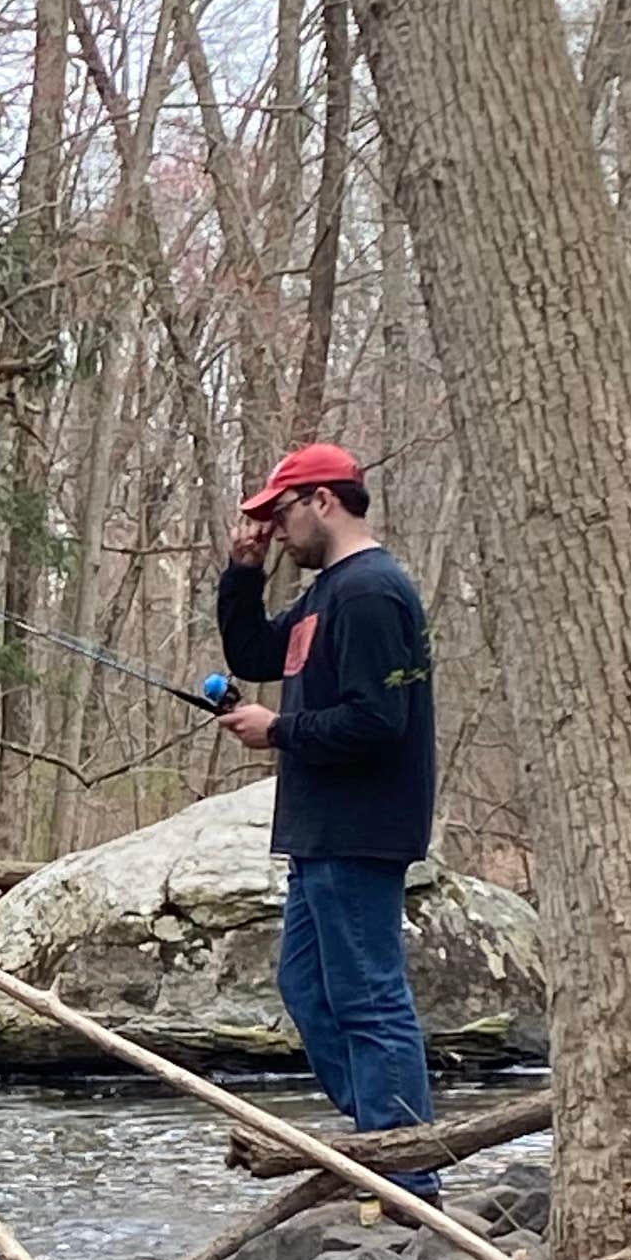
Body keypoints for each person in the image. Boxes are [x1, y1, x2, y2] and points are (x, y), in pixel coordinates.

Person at [212, 443, 444, 1202]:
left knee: (371, 997)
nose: (276, 531)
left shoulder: (373, 592)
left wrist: (277, 731)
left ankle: (406, 1173)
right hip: (319, 832)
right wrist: (245, 572)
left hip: (361, 827)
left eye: (280, 515)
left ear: (323, 501)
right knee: (307, 987)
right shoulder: (322, 597)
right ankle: (380, 1142)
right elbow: (253, 651)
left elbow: (380, 719)